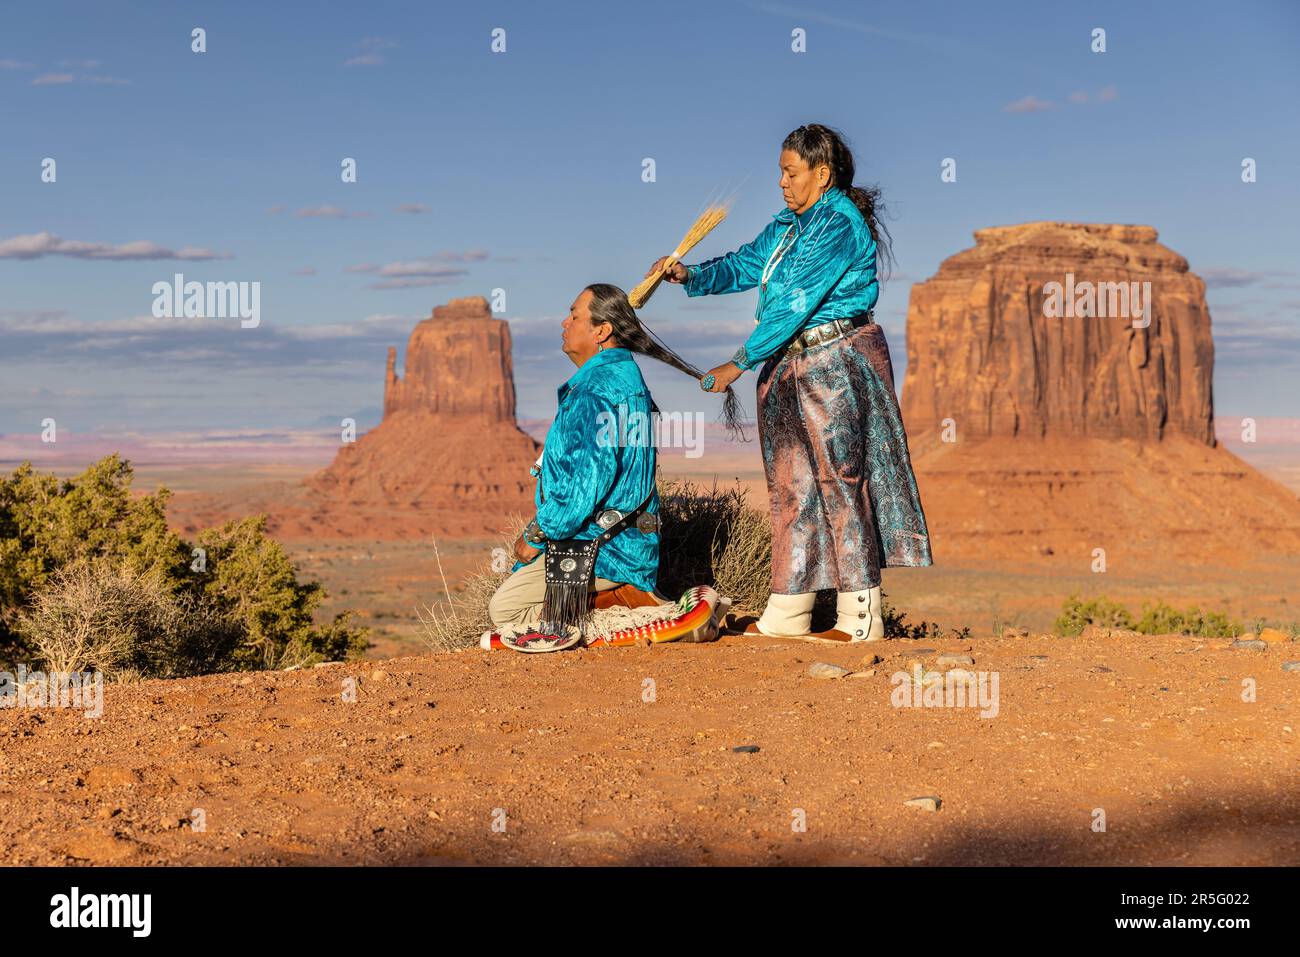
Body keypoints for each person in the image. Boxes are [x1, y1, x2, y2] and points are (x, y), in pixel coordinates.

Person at [648, 124, 932, 641]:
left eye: (790, 172)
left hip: (834, 362)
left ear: (822, 175)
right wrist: (690, 276)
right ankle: (789, 611)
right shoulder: (788, 225)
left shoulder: (838, 224)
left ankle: (859, 617)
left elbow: (797, 300)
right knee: (792, 486)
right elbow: (746, 265)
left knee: (840, 480)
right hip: (789, 366)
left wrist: (739, 361)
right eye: (782, 171)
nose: (781, 182)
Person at [487, 283, 740, 633]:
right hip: (621, 542)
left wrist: (535, 535)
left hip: (605, 550)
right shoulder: (622, 378)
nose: (564, 322)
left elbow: (585, 484)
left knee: (506, 612)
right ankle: (620, 600)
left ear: (601, 331)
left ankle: (643, 614)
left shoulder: (597, 390)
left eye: (574, 315)